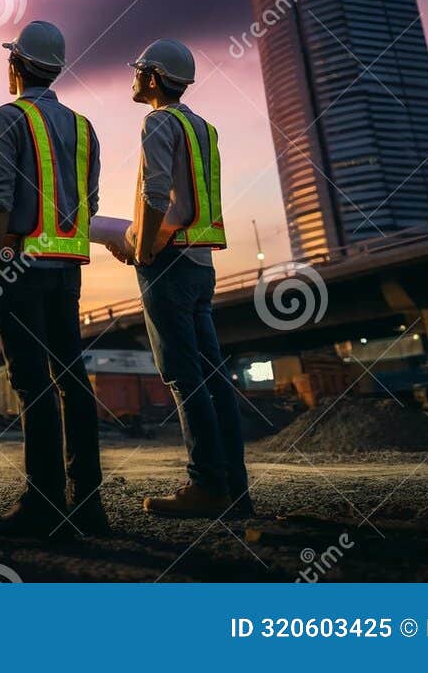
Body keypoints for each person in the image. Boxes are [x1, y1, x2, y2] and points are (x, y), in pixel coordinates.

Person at [0, 21, 111, 541]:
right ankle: (88, 505)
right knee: (71, 381)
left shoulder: (6, 118)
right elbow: (91, 205)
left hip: (22, 269)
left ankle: (44, 504)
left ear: (17, 67)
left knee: (32, 384)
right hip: (66, 270)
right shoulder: (83, 127)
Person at [108, 38, 251, 518]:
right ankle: (234, 486)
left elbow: (161, 199)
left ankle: (206, 486)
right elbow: (192, 205)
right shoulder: (203, 129)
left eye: (138, 71)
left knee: (182, 378)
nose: (133, 78)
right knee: (213, 378)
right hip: (200, 262)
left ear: (152, 79)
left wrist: (143, 248)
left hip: (169, 263)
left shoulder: (157, 121)